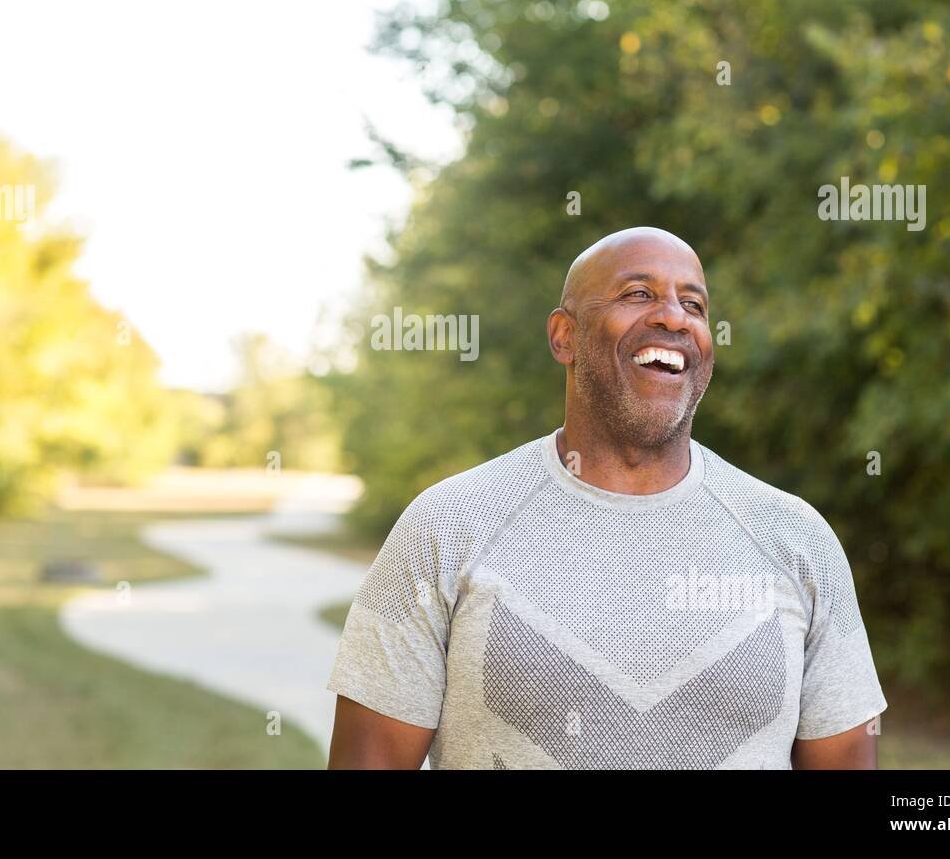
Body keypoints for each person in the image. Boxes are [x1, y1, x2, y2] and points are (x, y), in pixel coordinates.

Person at [326, 226, 886, 769]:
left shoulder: (794, 536)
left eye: (694, 305)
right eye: (638, 294)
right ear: (564, 336)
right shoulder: (446, 526)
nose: (672, 316)